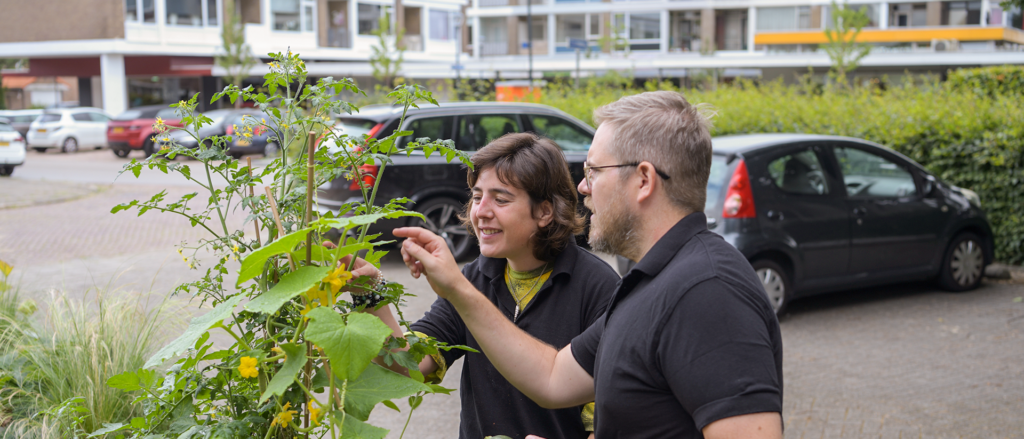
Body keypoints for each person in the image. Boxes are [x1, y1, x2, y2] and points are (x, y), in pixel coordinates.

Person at [393, 91, 785, 438]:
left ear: (644, 179)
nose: (582, 187)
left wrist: (457, 289)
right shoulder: (646, 284)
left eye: (593, 171)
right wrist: (443, 290)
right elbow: (551, 378)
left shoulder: (708, 291)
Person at [347, 132, 619, 439]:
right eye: (477, 196)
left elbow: (607, 419)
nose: (481, 211)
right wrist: (371, 293)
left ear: (544, 211)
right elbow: (411, 365)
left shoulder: (599, 287)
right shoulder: (474, 277)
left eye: (501, 199)